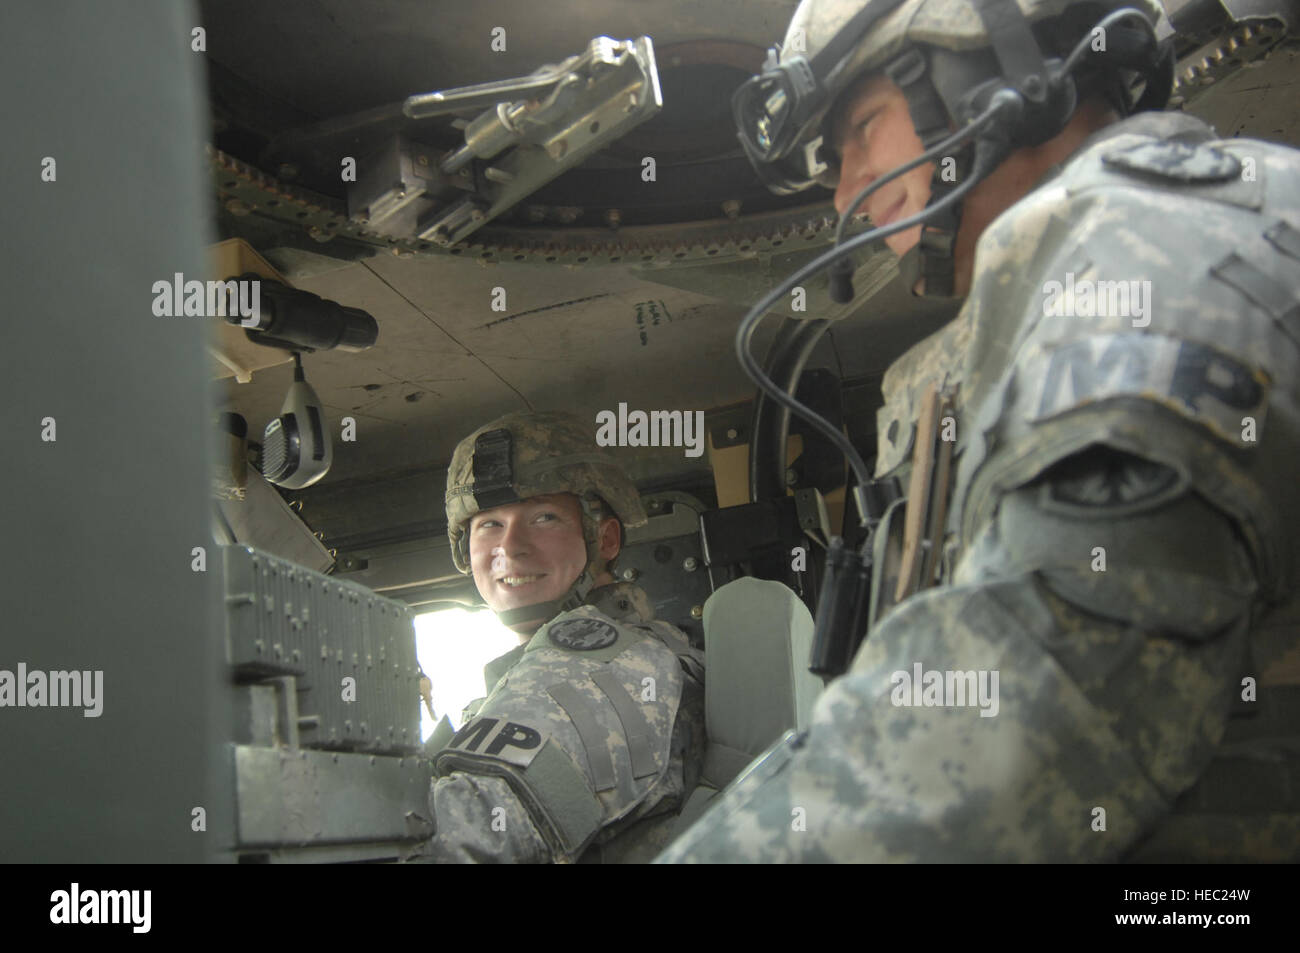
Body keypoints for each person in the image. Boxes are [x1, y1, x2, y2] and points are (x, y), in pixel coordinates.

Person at [658, 0, 1300, 862]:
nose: (845, 193)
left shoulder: (1142, 256)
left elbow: (1024, 719)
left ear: (994, 74)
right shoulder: (1180, 226)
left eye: (859, 132)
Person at [406, 410, 705, 863]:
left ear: (604, 540)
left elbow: (459, 837)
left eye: (543, 517)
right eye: (488, 524)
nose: (509, 547)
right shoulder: (596, 660)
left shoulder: (601, 664)